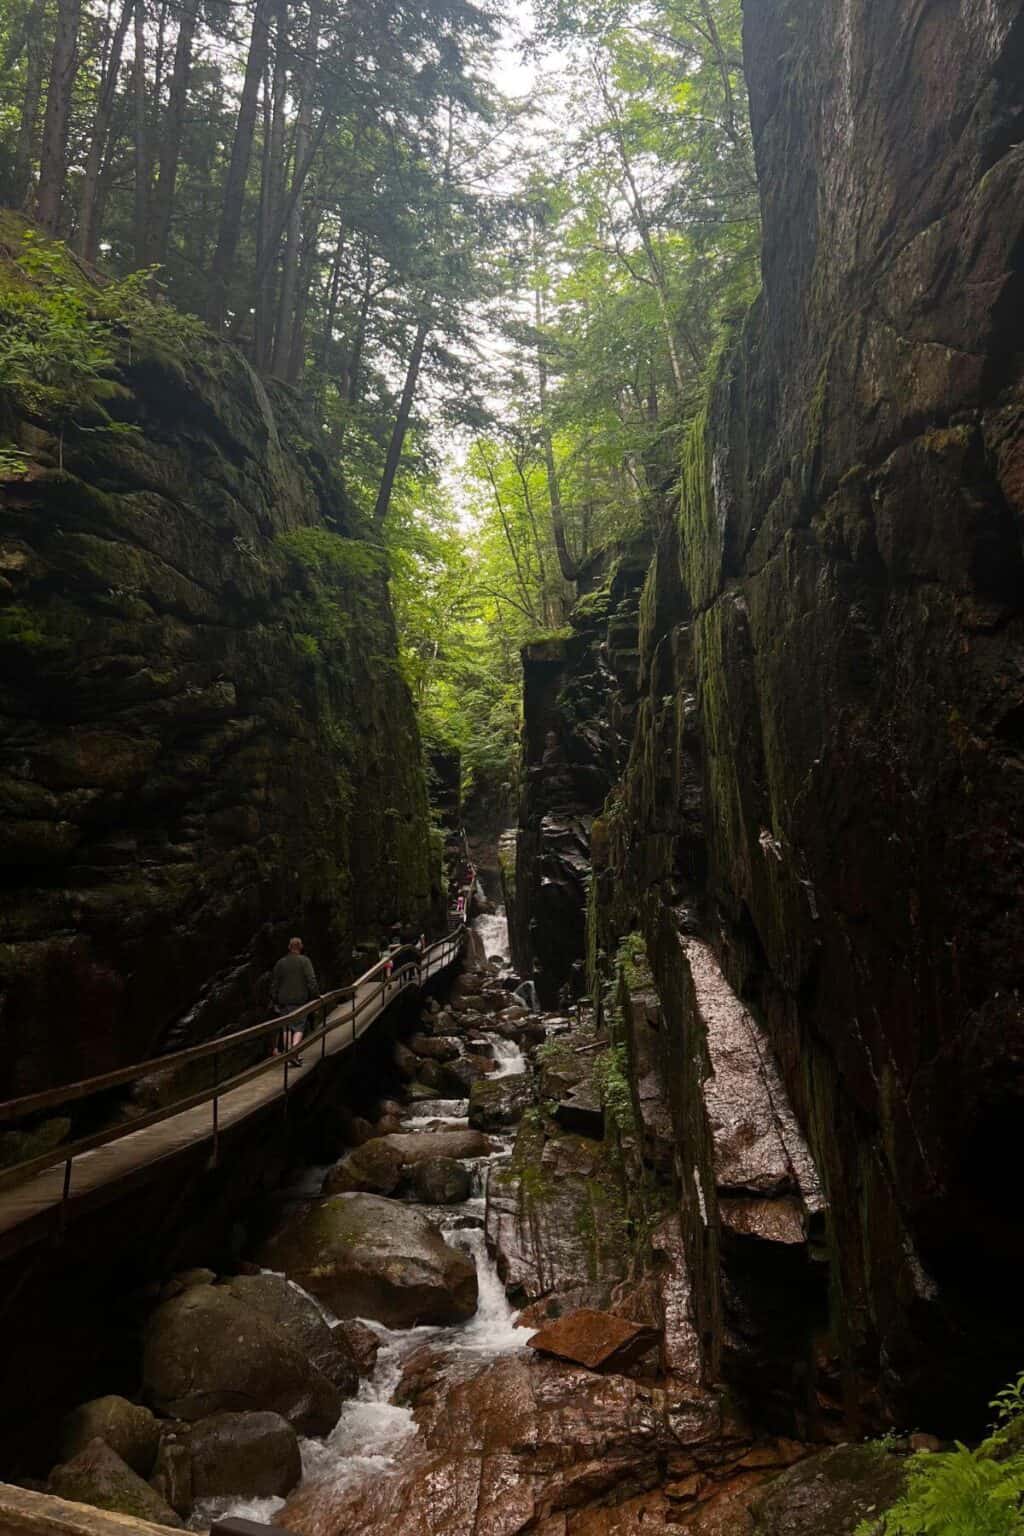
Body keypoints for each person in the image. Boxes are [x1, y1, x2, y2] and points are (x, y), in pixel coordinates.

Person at [270, 937, 320, 1062]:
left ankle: (288, 1052)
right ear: (301, 947)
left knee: (286, 1026)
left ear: (289, 947)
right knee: (298, 1027)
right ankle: (294, 1051)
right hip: (299, 1000)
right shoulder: (305, 961)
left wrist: (274, 999)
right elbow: (311, 980)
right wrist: (316, 995)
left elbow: (275, 984)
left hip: (283, 1001)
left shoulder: (280, 963)